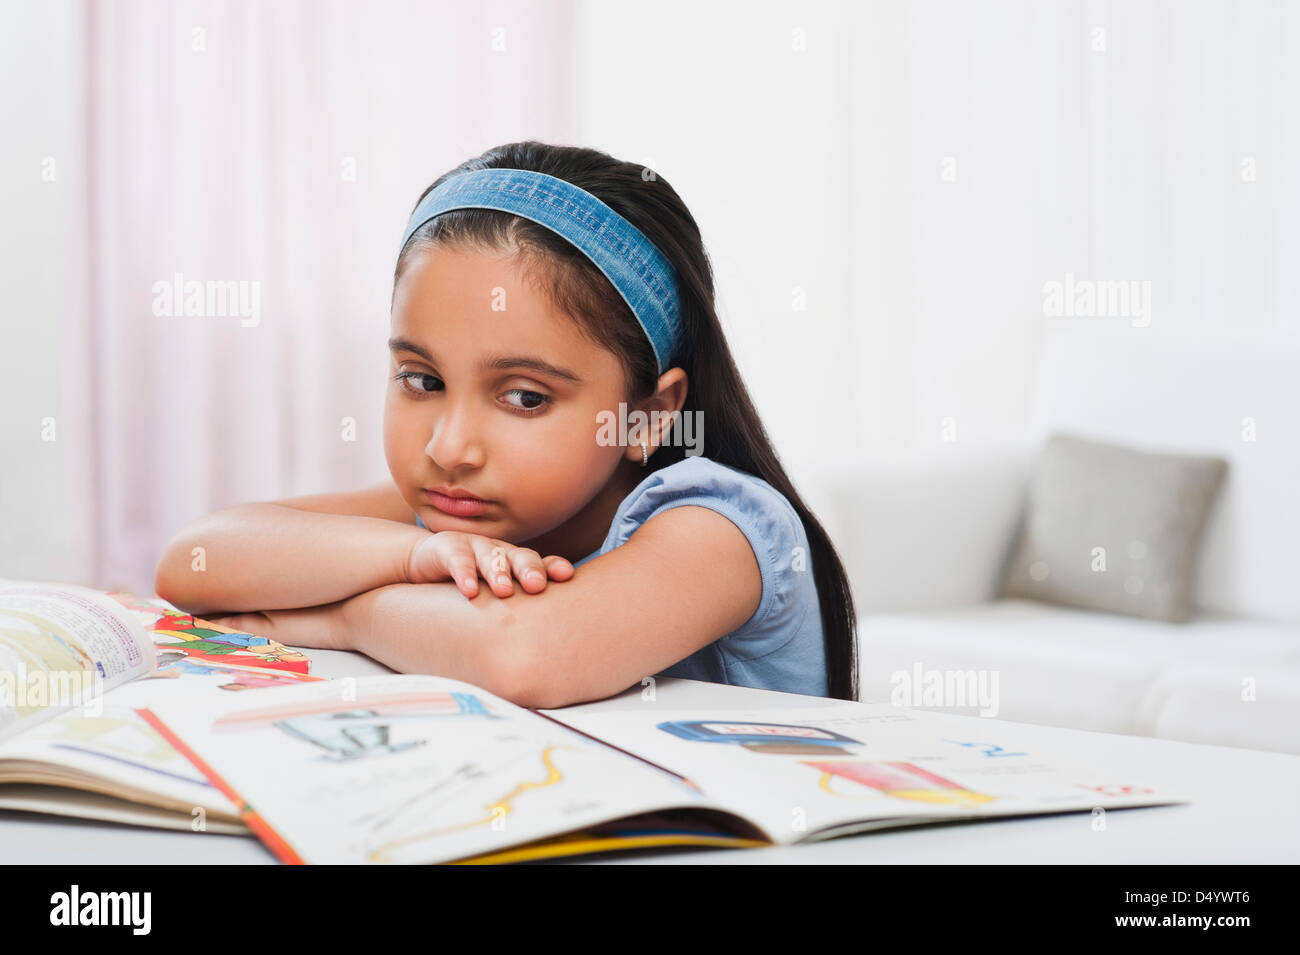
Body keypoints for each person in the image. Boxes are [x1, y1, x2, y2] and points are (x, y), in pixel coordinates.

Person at [154, 141, 858, 707]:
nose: (449, 445)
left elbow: (522, 654)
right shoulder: (457, 517)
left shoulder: (719, 528)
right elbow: (196, 561)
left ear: (647, 416)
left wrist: (343, 615)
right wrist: (407, 558)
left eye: (524, 398)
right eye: (422, 380)